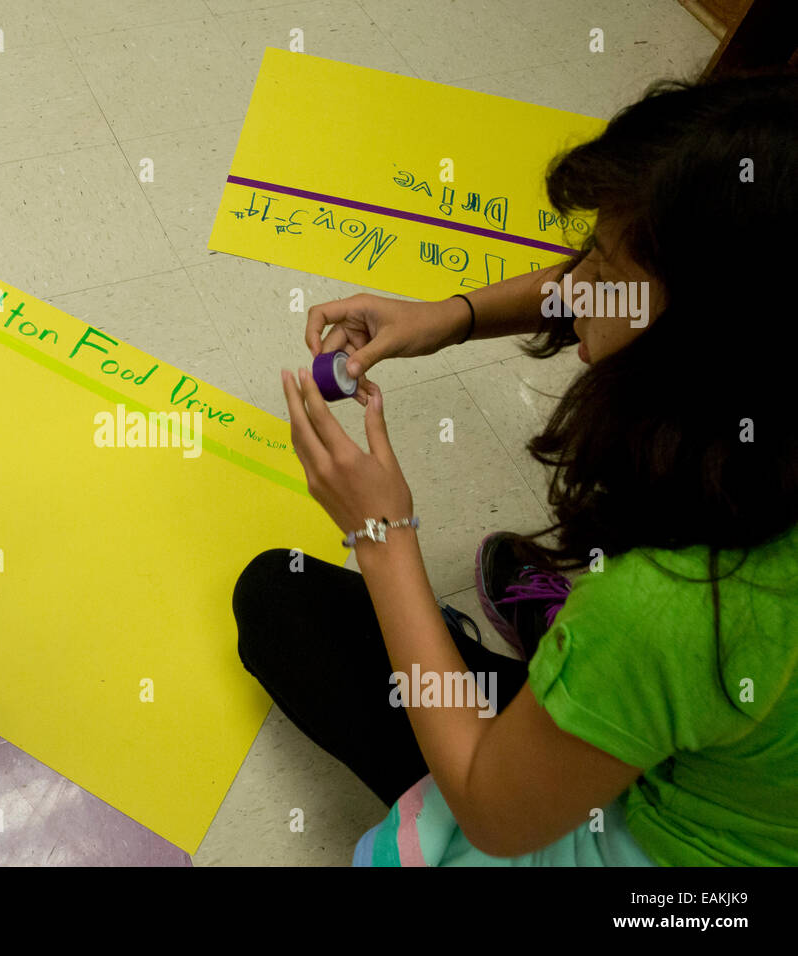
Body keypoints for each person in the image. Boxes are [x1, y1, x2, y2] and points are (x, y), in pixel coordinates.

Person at [234, 71, 798, 865]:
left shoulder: (670, 604)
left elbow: (493, 817)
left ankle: (582, 678)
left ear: (701, 345)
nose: (575, 287)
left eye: (602, 273)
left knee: (278, 602)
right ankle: (589, 684)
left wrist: (381, 534)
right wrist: (451, 317)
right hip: (725, 760)